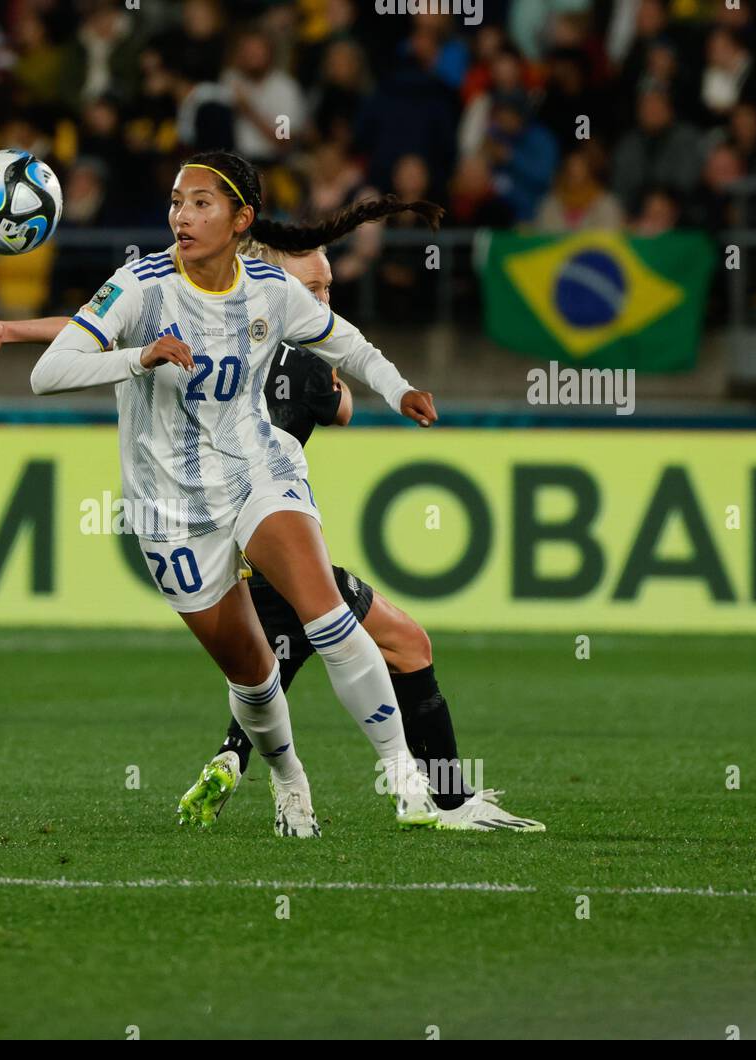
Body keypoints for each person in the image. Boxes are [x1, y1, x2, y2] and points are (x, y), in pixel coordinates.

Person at [0, 243, 543, 834]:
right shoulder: (301, 361)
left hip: (232, 529)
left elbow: (101, 330)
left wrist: (14, 329)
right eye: (311, 289)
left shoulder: (203, 322)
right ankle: (438, 797)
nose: (321, 301)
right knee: (392, 645)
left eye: (326, 290)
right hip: (253, 533)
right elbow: (340, 406)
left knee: (270, 665)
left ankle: (266, 768)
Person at [28, 150, 444, 838]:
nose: (181, 216)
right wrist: (141, 354)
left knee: (326, 614)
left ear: (240, 218)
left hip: (257, 471)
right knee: (253, 676)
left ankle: (406, 783)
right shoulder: (139, 285)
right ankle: (288, 779)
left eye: (200, 204)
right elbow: (50, 371)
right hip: (169, 510)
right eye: (175, 202)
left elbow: (352, 348)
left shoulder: (271, 293)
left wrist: (399, 390)